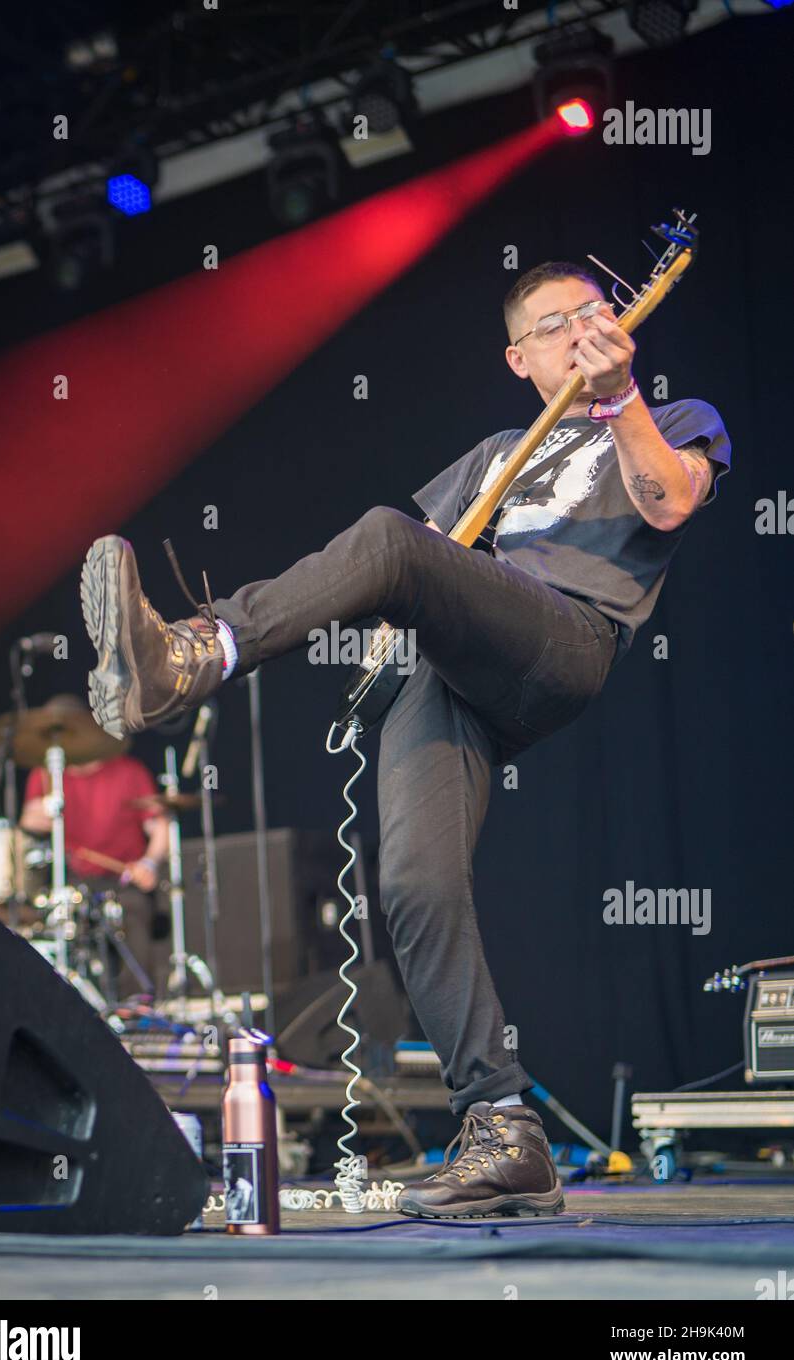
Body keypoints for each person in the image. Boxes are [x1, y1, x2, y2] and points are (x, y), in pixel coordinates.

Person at [79, 261, 731, 1218]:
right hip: (458, 665)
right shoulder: (500, 449)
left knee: (387, 538)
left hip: (565, 638)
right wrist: (391, 635)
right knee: (414, 887)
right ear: (519, 358)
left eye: (596, 310)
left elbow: (668, 502)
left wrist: (622, 394)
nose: (582, 329)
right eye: (555, 325)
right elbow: (429, 563)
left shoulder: (678, 418)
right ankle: (507, 1130)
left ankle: (195, 650)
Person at [19, 695, 170, 1000]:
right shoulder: (45, 776)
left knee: (134, 912)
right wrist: (38, 815)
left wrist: (150, 864)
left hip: (122, 881)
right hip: (73, 881)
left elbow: (160, 825)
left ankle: (136, 1007)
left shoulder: (129, 771)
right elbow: (28, 823)